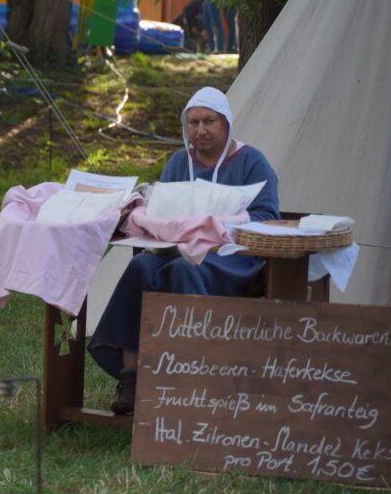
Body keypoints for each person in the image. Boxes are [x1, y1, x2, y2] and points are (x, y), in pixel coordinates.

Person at [89, 87, 279, 415]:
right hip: (173, 252)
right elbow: (162, 211)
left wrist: (215, 226)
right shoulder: (179, 162)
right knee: (139, 269)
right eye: (193, 123)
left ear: (226, 124)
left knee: (183, 271)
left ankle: (186, 382)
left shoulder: (252, 161)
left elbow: (266, 218)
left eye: (209, 121)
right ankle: (132, 379)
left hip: (231, 259)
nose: (200, 130)